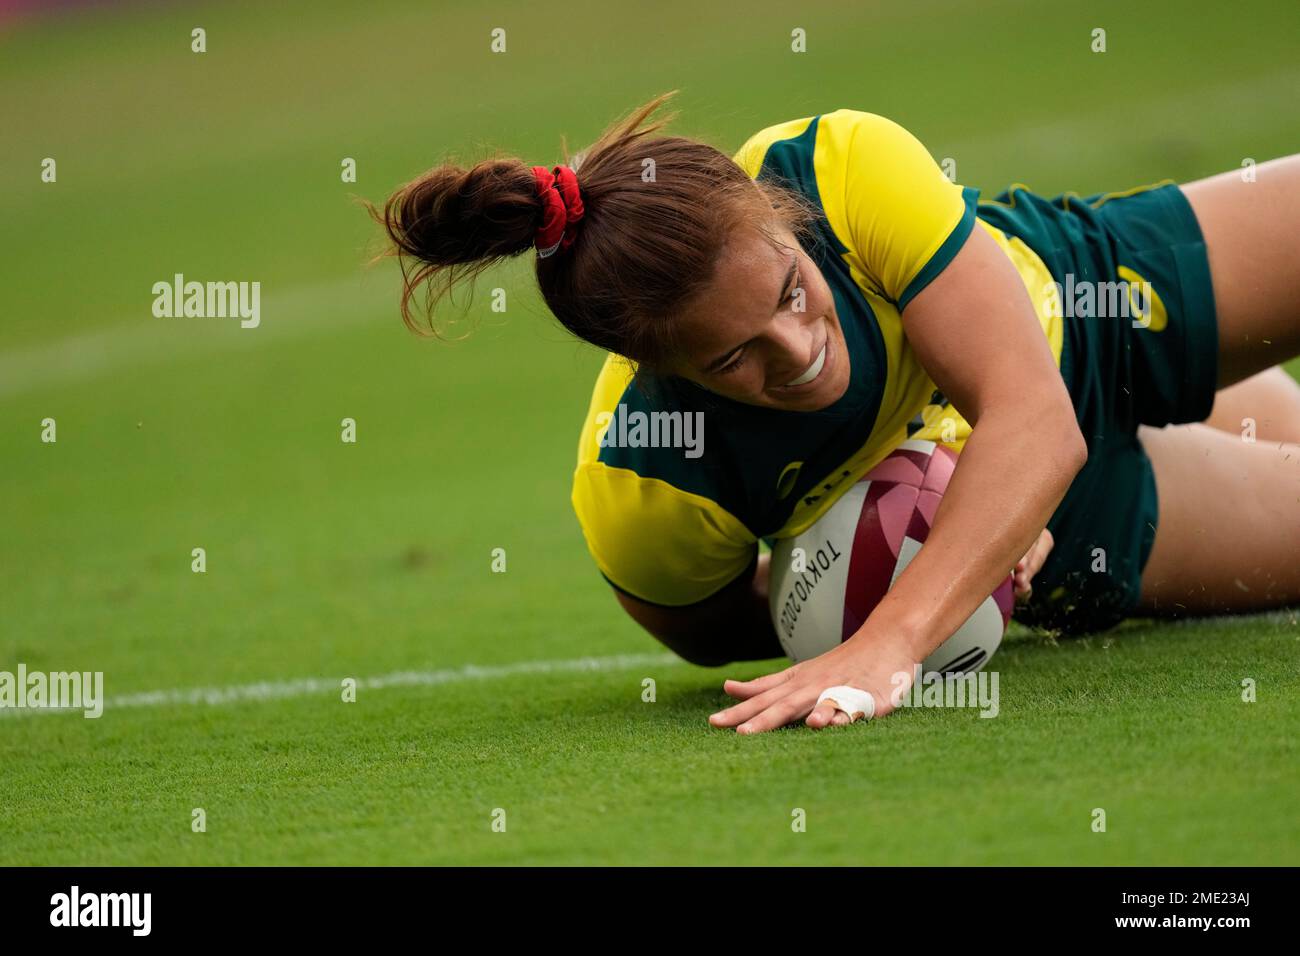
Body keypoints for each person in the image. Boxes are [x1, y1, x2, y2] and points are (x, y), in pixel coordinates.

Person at [372, 93, 1300, 733]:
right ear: (652, 368)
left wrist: (889, 644)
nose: (798, 349)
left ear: (779, 213)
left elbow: (1032, 417)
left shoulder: (840, 161)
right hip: (1078, 519)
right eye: (735, 356)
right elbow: (739, 630)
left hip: (1082, 302)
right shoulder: (646, 488)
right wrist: (890, 555)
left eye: (790, 287)